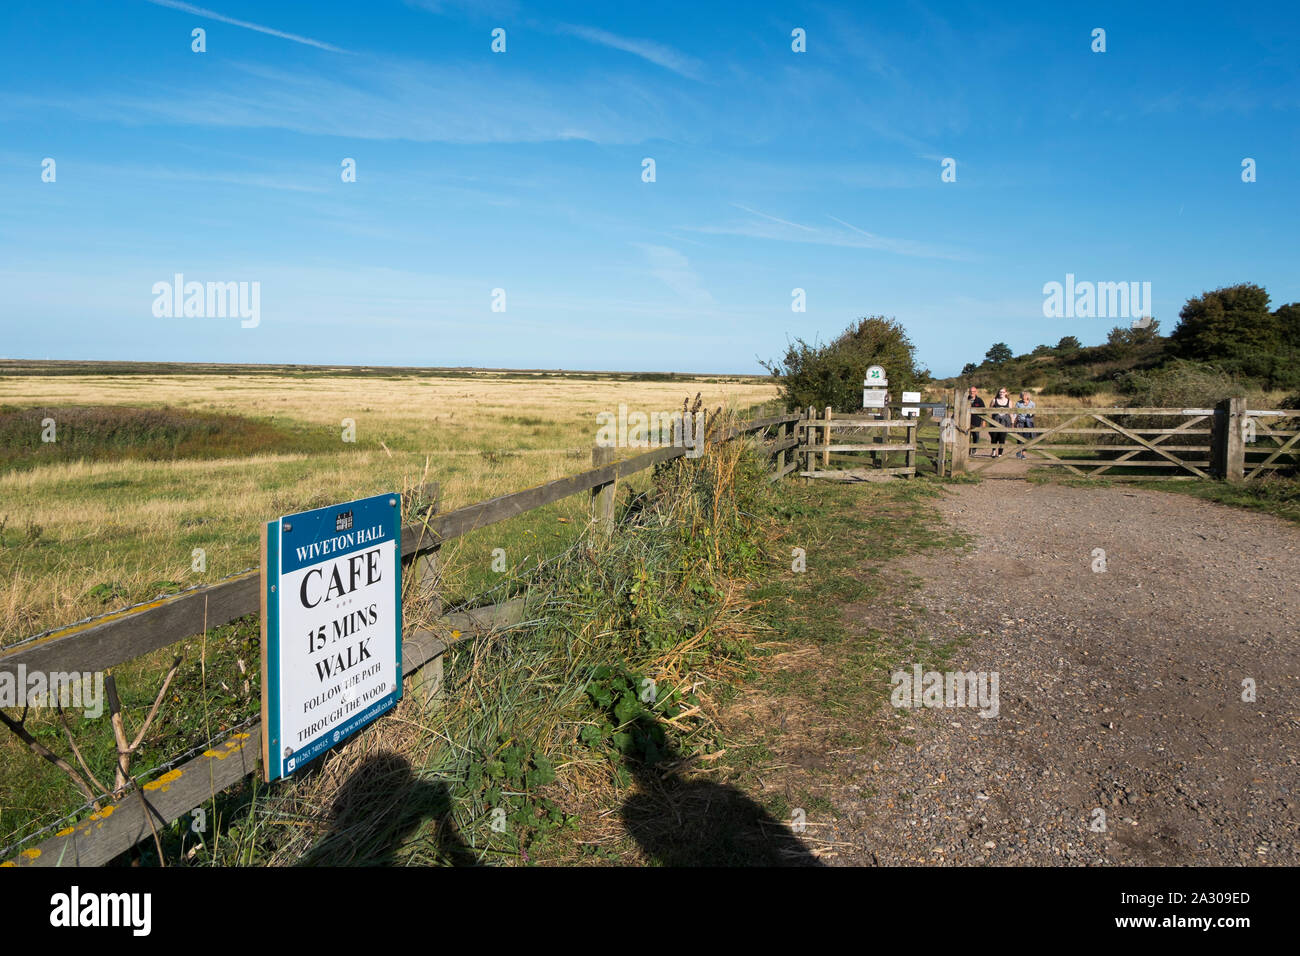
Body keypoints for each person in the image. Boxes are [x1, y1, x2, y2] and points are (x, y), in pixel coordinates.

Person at [988, 387, 1012, 458]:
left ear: (1006, 393)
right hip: (995, 421)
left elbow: (1011, 412)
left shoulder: (1009, 401)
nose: (1001, 393)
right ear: (998, 393)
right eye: (1000, 392)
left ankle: (1000, 454)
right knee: (994, 437)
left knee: (1002, 437)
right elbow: (989, 410)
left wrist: (1013, 422)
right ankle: (993, 451)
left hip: (1005, 422)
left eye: (1003, 392)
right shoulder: (994, 400)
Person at [1014, 391, 1036, 459]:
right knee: (1019, 437)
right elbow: (1015, 413)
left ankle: (1023, 454)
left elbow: (1034, 413)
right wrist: (1014, 422)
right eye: (1022, 396)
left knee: (1026, 439)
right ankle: (1018, 451)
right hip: (1020, 422)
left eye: (1024, 396)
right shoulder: (1018, 403)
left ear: (1028, 396)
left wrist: (1032, 414)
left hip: (1028, 422)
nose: (1023, 398)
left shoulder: (1032, 404)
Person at [967, 386, 985, 456]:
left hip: (976, 422)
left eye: (973, 391)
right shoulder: (965, 399)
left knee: (976, 436)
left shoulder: (979, 400)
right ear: (969, 392)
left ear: (976, 392)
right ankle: (967, 451)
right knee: (966, 436)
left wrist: (983, 421)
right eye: (971, 392)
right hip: (966, 422)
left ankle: (974, 449)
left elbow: (984, 411)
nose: (972, 393)